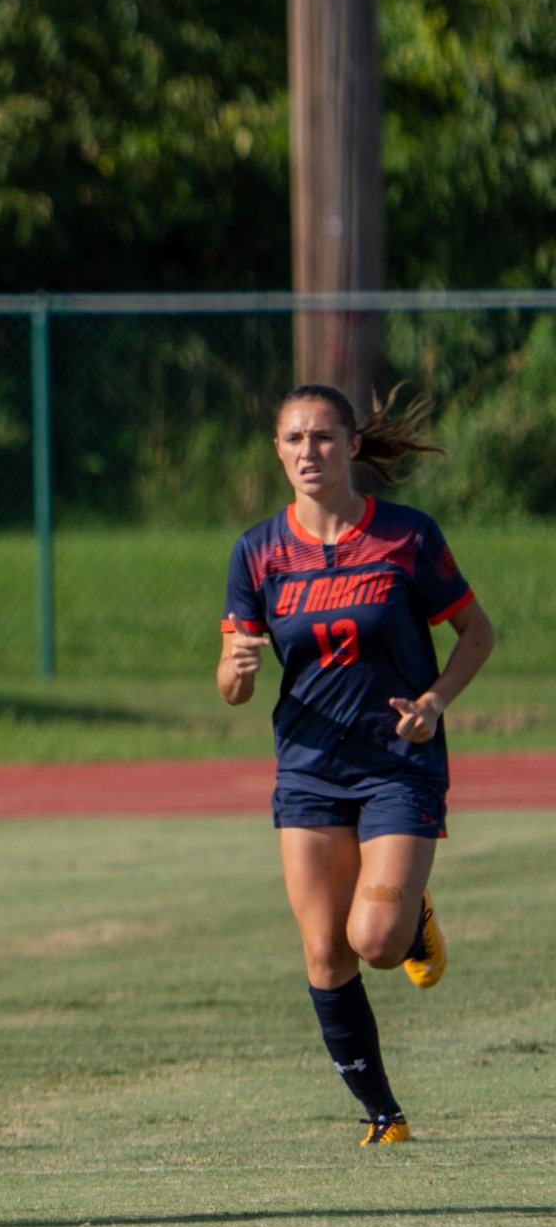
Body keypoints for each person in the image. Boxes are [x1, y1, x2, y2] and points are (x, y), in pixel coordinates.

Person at [218, 383, 494, 1145]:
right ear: (277, 451)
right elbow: (233, 687)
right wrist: (237, 670)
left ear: (354, 447)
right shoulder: (258, 551)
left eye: (324, 438)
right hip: (307, 767)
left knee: (374, 939)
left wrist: (435, 700)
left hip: (397, 762)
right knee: (324, 948)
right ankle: (385, 1116)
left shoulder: (406, 536)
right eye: (294, 439)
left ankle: (409, 920)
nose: (309, 452)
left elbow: (477, 632)